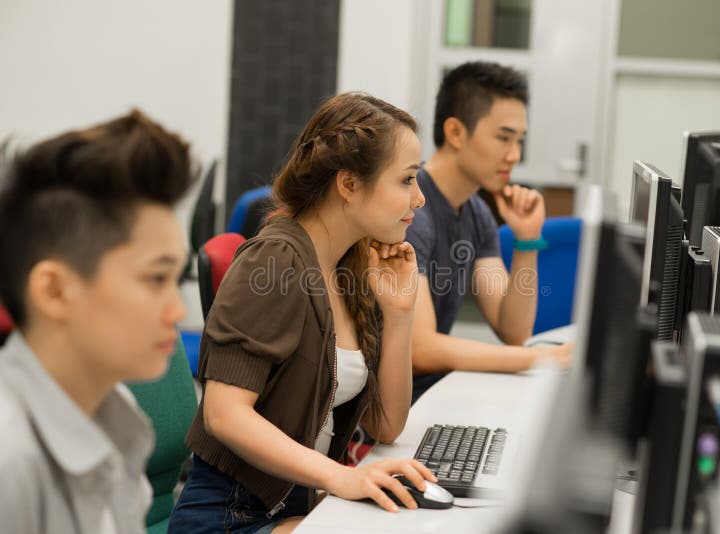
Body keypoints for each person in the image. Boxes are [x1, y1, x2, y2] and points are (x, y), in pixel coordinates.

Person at [169, 92, 435, 534]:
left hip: (295, 507)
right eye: (407, 180)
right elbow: (223, 413)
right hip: (229, 518)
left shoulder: (349, 266)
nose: (420, 199)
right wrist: (342, 478)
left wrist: (400, 311)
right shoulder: (274, 261)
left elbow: (386, 424)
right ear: (349, 185)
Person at [0, 110, 195, 533]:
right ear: (53, 291)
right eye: (155, 278)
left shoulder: (113, 405)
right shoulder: (10, 461)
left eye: (175, 279)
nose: (178, 310)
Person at [407, 61, 572, 402]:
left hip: (430, 393)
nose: (514, 155)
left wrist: (527, 238)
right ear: (455, 132)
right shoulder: (411, 210)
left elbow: (512, 330)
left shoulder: (477, 213)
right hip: (384, 414)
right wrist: (545, 357)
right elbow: (420, 349)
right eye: (503, 138)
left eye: (519, 140)